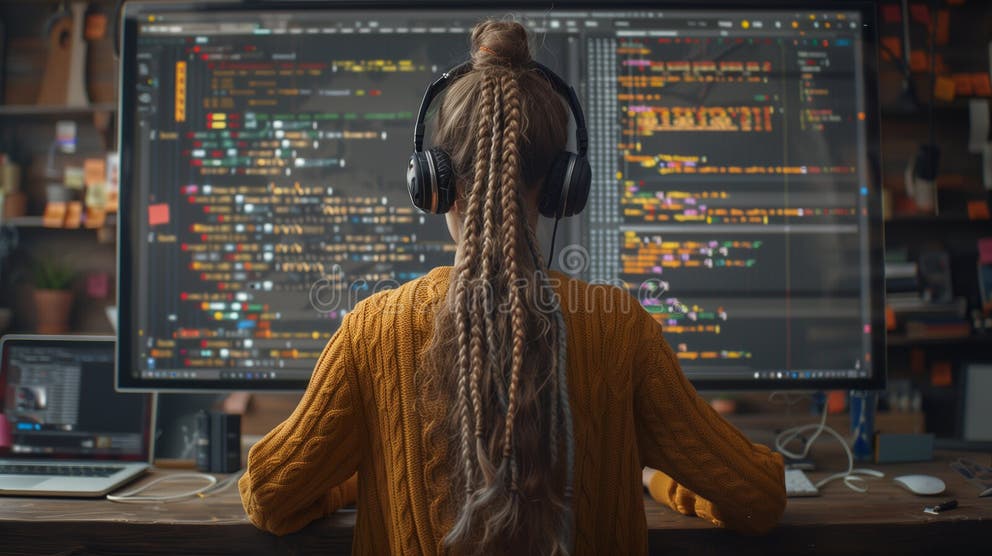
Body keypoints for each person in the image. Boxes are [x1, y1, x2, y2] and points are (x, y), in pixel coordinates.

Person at [239, 20, 786, 555]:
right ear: (560, 188)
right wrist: (661, 478)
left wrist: (361, 475)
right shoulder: (620, 329)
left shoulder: (373, 331)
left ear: (435, 184)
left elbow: (270, 495)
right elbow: (758, 496)